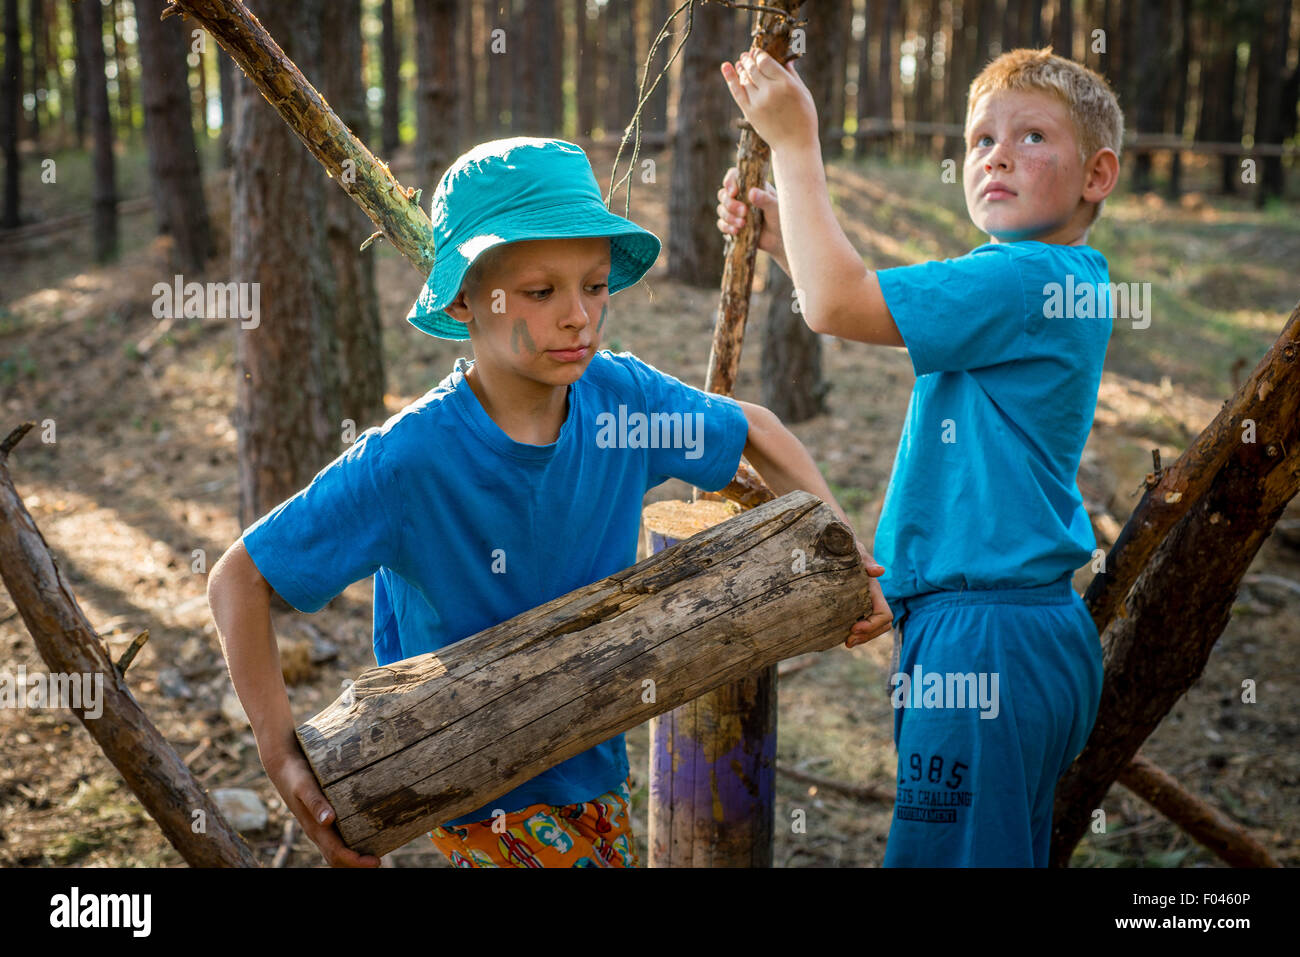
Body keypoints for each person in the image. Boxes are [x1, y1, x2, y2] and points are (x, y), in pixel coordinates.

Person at [206, 136, 893, 869]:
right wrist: (283, 760)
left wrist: (845, 553)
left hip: (596, 771)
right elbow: (238, 579)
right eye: (542, 292)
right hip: (472, 793)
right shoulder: (409, 459)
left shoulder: (621, 401)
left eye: (594, 286)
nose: (579, 318)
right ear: (465, 296)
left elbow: (757, 429)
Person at [715, 47, 1123, 866]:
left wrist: (797, 146)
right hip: (1003, 630)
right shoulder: (1050, 281)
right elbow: (850, 295)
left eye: (1033, 136)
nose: (998, 153)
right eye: (980, 140)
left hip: (986, 642)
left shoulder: (1025, 277)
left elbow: (838, 304)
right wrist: (786, 236)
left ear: (1097, 175)